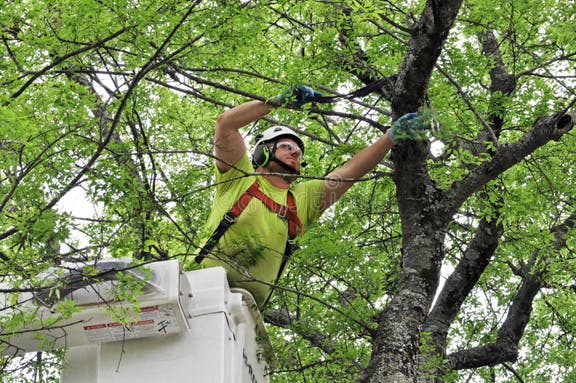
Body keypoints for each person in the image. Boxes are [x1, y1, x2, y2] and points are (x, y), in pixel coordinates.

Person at [196, 85, 430, 306]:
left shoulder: (301, 200)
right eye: (287, 146)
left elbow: (350, 170)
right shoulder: (238, 178)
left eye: (298, 151)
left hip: (245, 312)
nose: (296, 152)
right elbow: (226, 124)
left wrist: (389, 137)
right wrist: (279, 101)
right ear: (263, 152)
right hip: (197, 290)